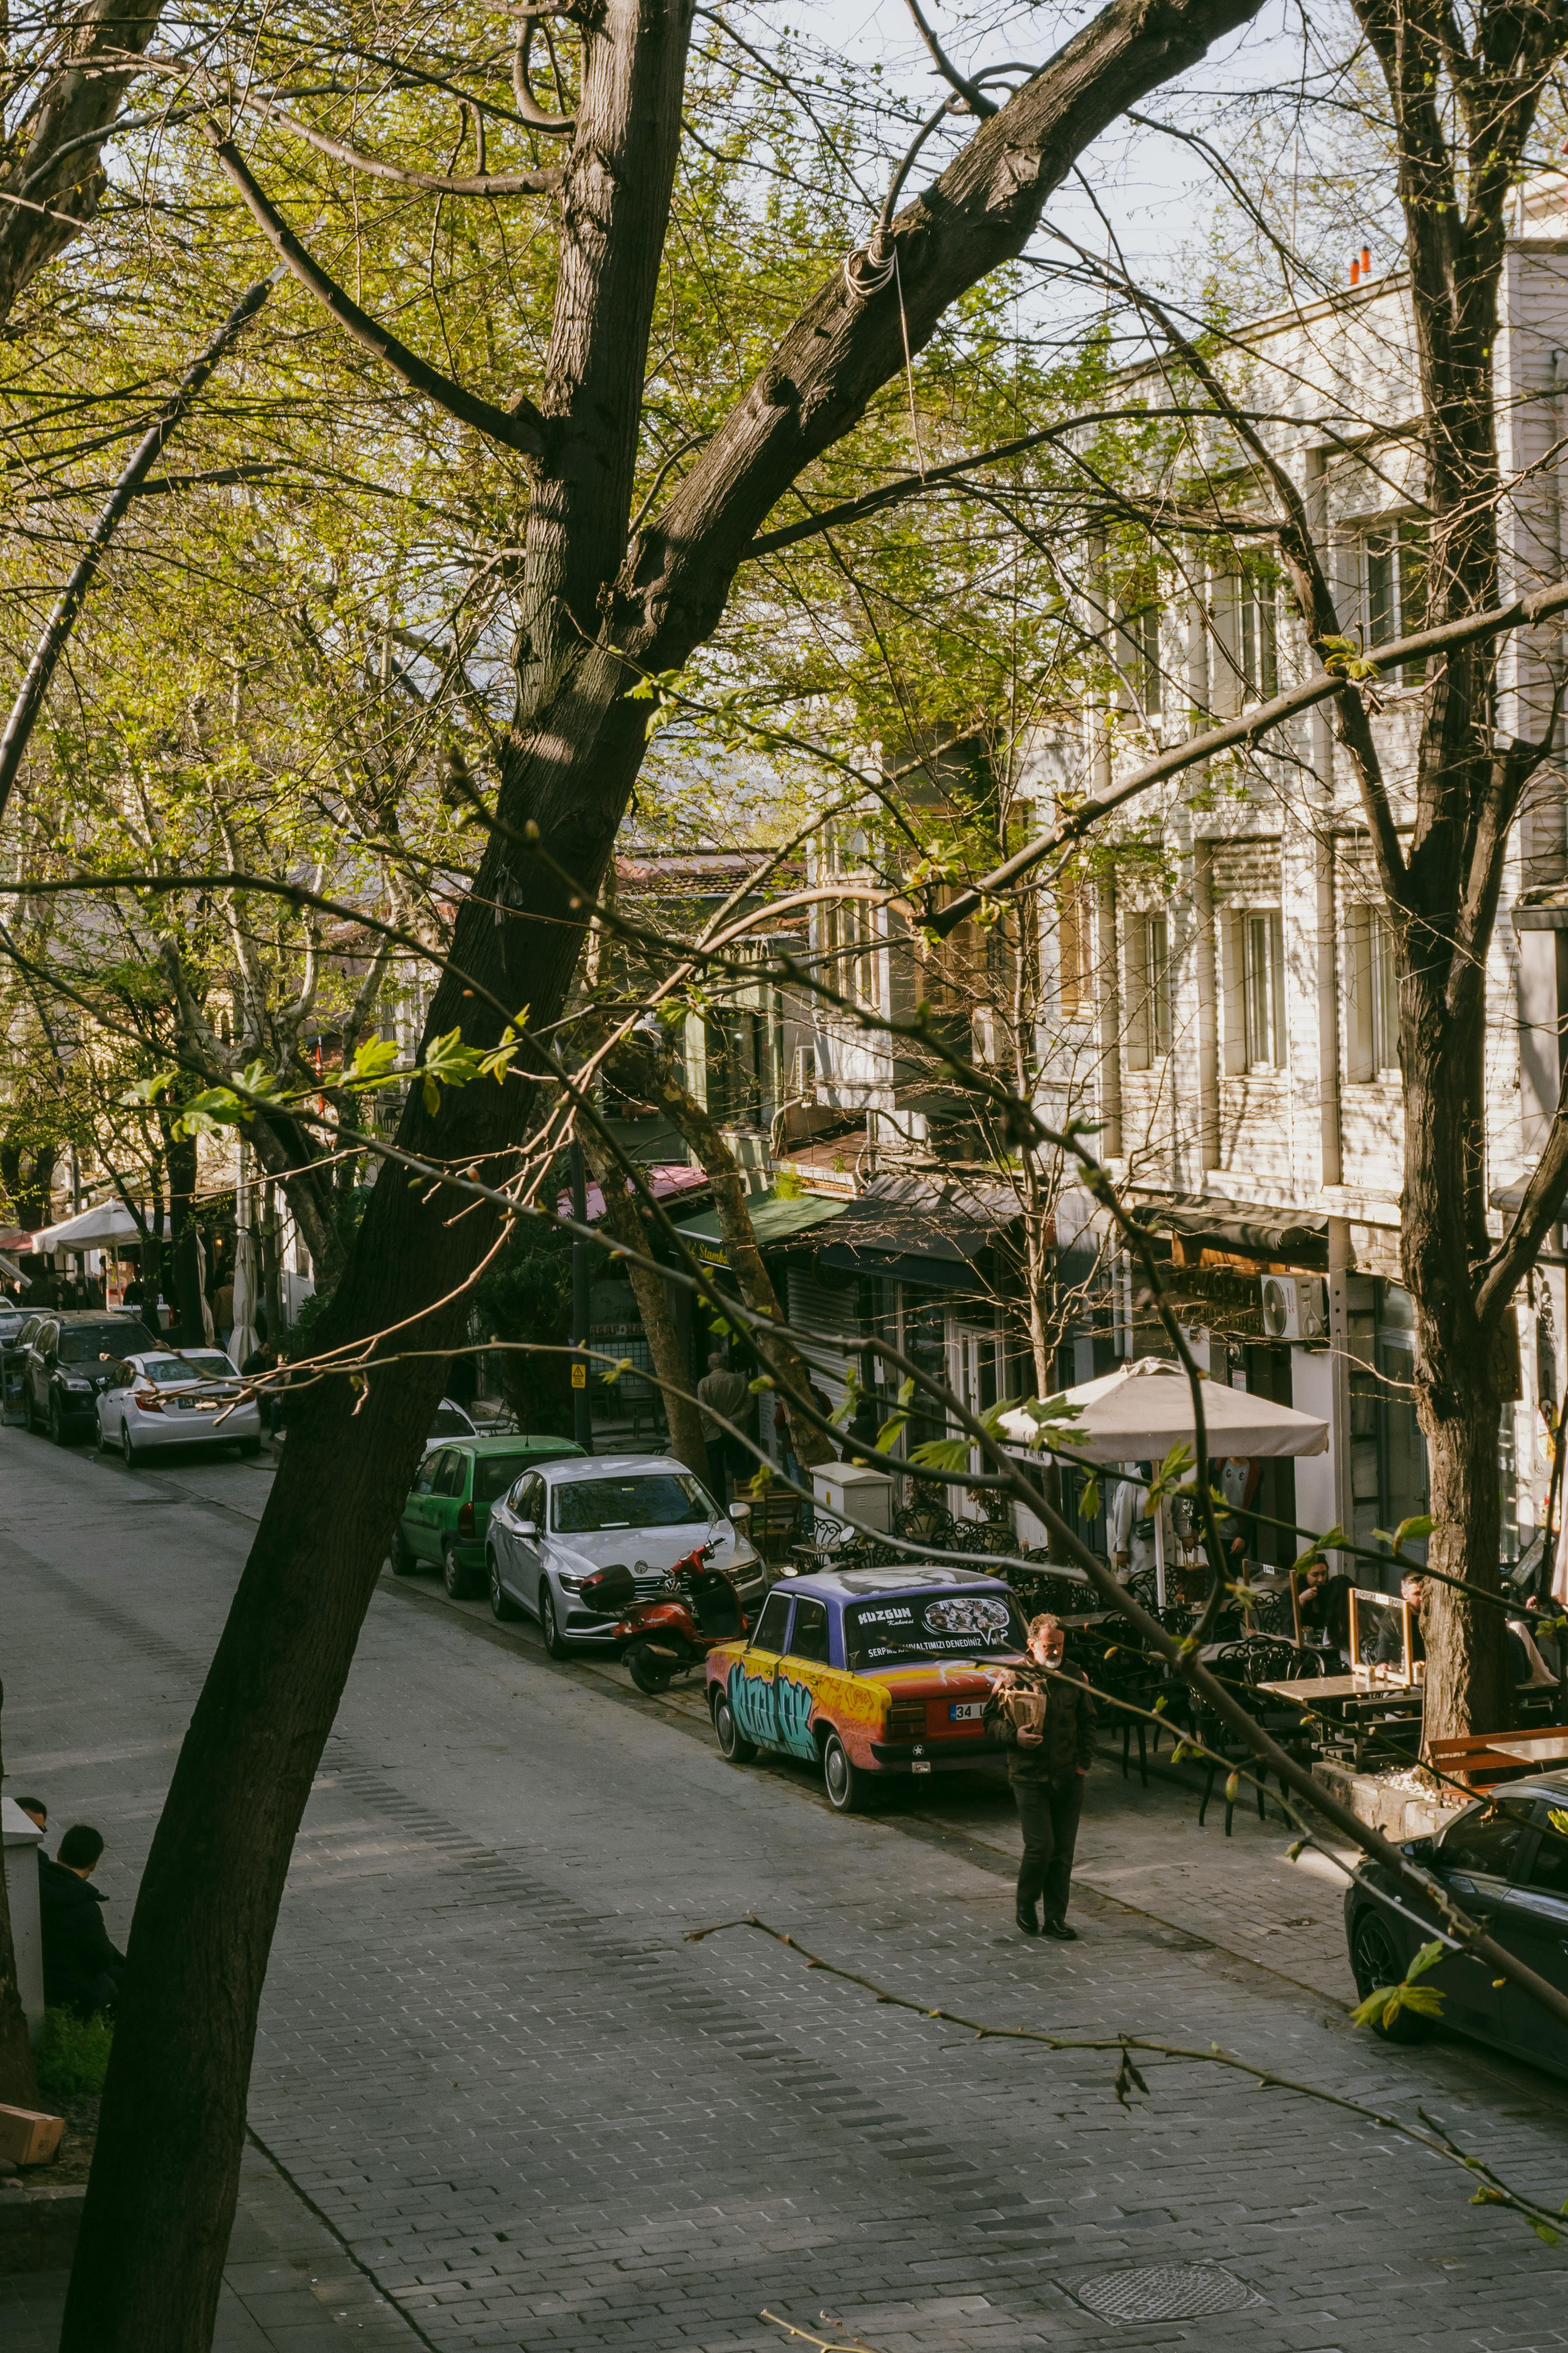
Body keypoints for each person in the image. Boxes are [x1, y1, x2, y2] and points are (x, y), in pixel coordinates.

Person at [983, 1613, 1097, 1941]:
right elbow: (989, 1720)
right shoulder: (1012, 1676)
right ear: (1032, 1644)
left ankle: (1056, 1919)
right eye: (1050, 1646)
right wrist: (1014, 1736)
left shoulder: (1075, 1675)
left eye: (1060, 1644)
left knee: (1063, 1853)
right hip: (1029, 1776)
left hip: (1068, 1776)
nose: (1056, 1651)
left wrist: (1084, 1763)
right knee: (1041, 1846)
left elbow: (1089, 1720)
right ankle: (1026, 1902)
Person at [39, 1824, 124, 2017]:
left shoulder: (36, 1882)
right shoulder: (84, 1906)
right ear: (93, 1864)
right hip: (68, 1988)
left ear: (59, 1853)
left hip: (41, 1974)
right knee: (120, 1979)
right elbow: (101, 1959)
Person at [696, 1349, 751, 1504]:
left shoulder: (704, 1383)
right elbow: (749, 1406)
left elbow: (704, 1410)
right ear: (725, 1364)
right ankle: (743, 1503)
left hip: (713, 1433)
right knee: (739, 1467)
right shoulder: (741, 1380)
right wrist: (732, 1420)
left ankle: (719, 1503)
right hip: (736, 1431)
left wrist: (721, 1421)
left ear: (709, 1366)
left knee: (716, 1470)